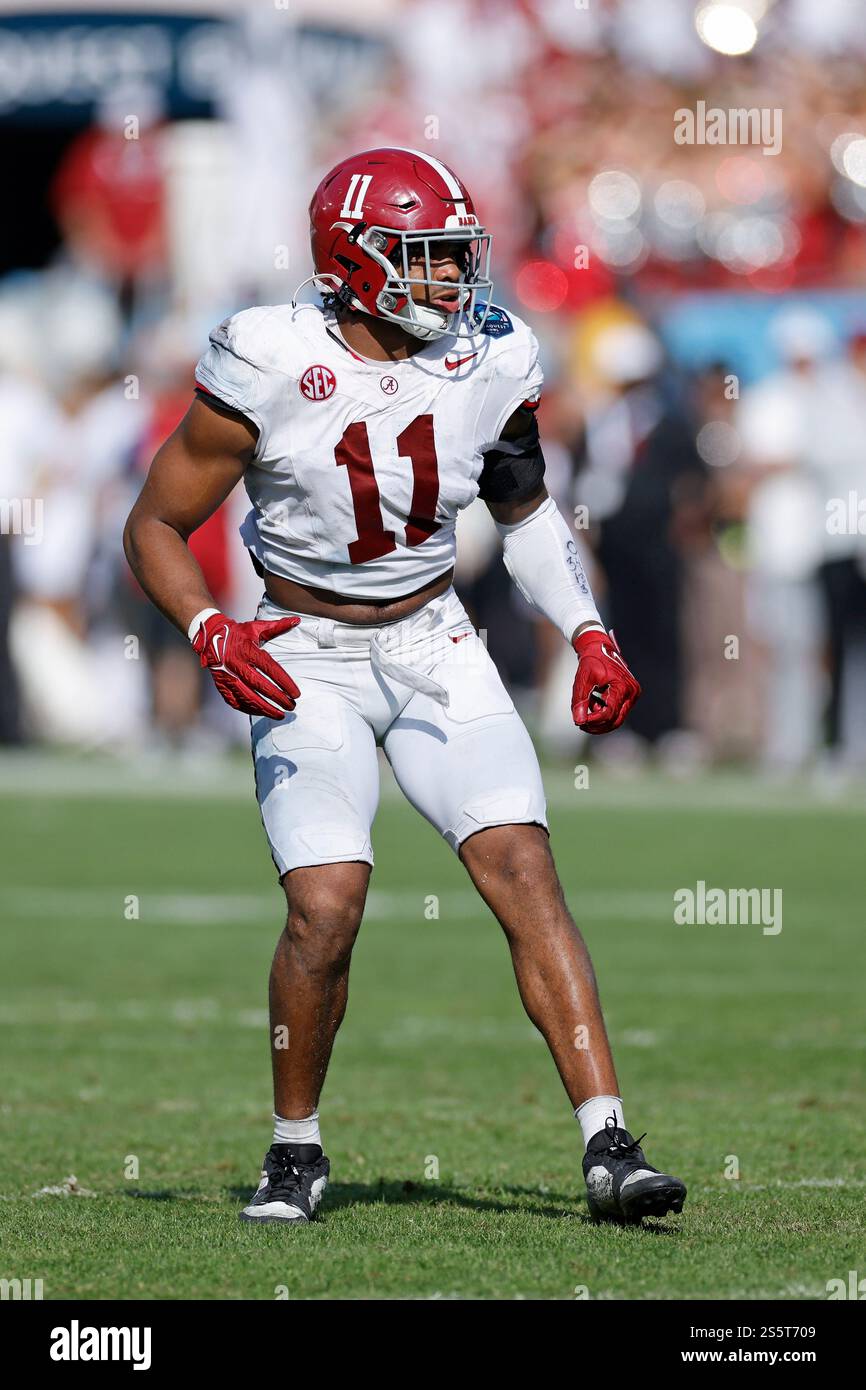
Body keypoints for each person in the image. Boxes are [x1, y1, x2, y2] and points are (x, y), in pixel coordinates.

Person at [124, 147, 686, 1226]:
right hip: (305, 647)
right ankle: (295, 1148)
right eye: (424, 258)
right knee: (324, 908)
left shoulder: (489, 353)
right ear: (354, 261)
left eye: (452, 256)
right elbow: (152, 523)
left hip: (432, 636)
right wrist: (206, 627)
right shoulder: (267, 357)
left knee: (523, 865)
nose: (449, 281)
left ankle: (608, 1143)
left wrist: (586, 631)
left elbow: (521, 512)